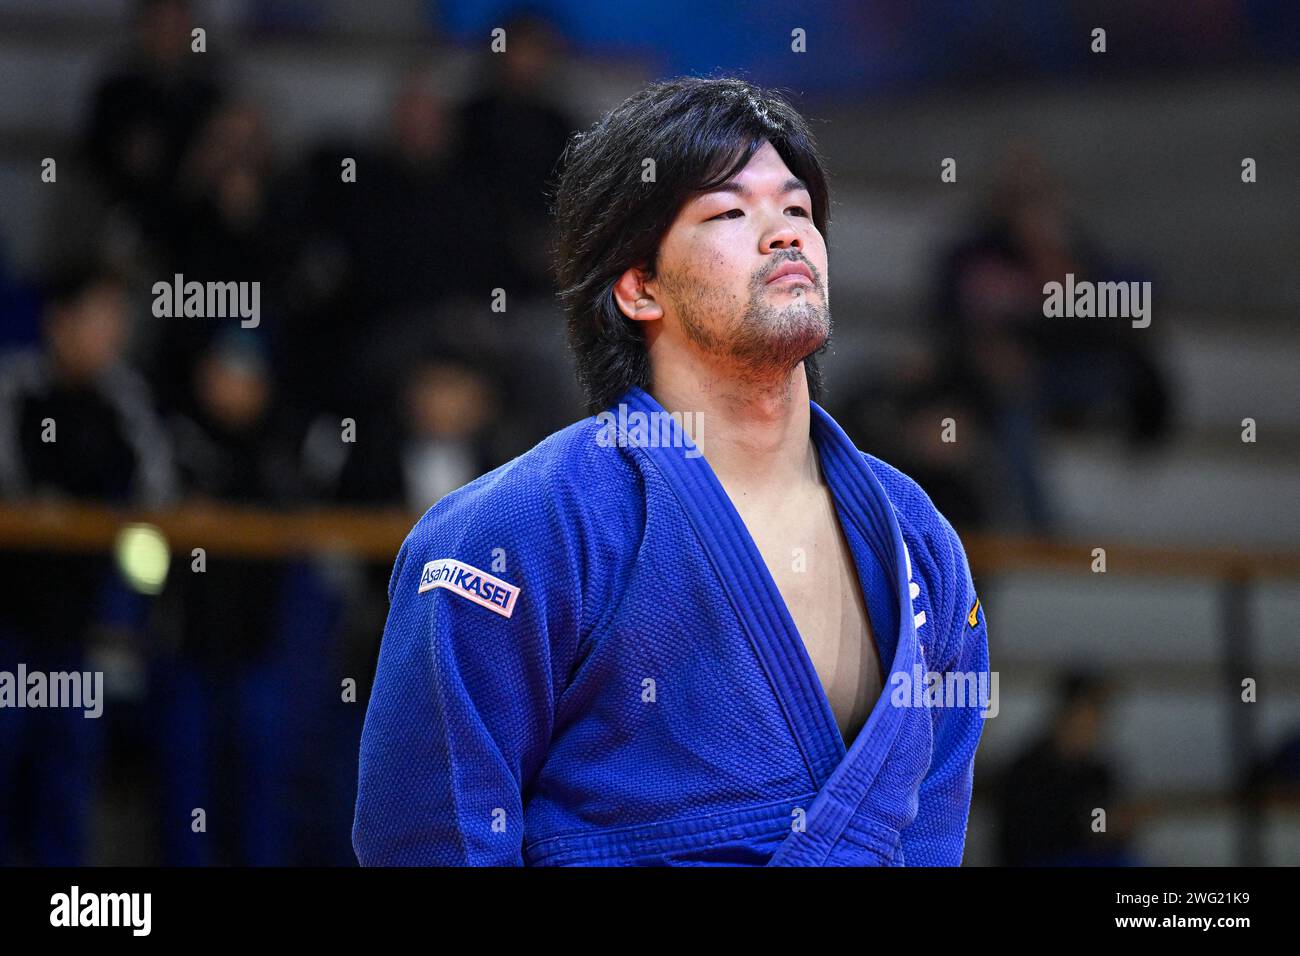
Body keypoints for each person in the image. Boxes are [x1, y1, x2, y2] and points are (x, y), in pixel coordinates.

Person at [353, 78, 990, 866]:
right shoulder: (513, 531)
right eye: (731, 213)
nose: (785, 235)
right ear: (638, 286)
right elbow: (430, 842)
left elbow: (929, 835)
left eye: (797, 211)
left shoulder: (917, 537)